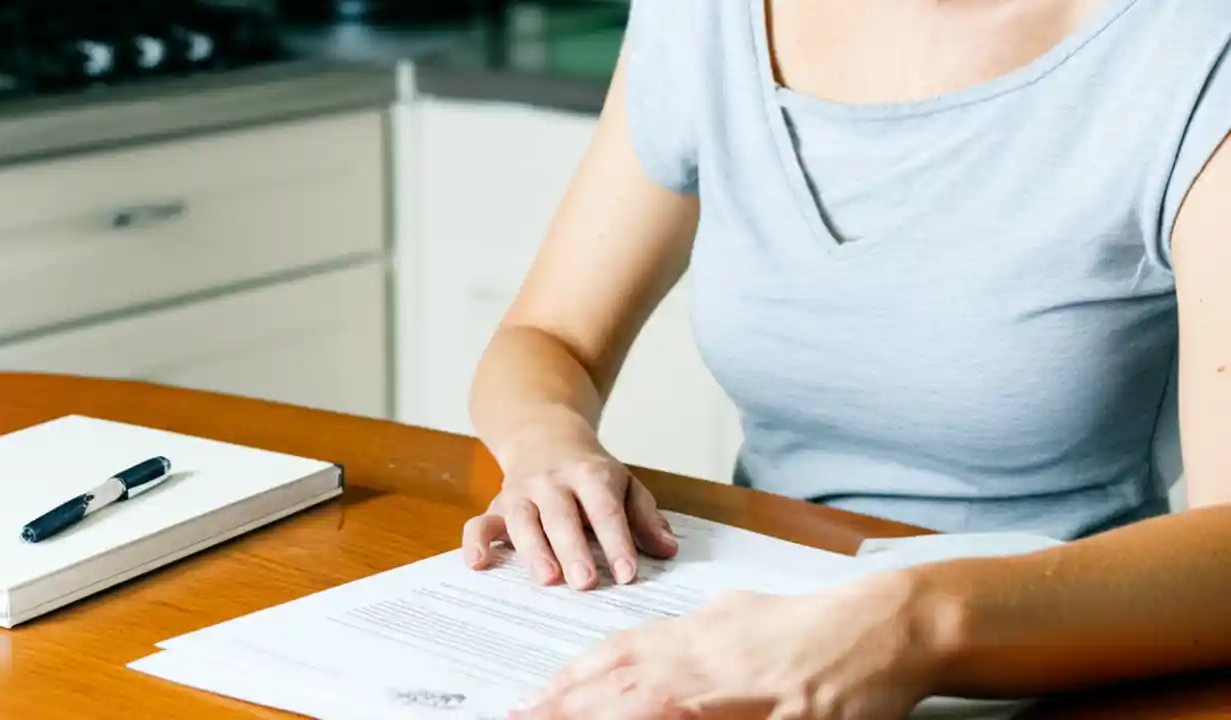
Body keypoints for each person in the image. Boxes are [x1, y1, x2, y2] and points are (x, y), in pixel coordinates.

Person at [462, 0, 1231, 716]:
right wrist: (547, 446)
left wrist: (912, 623)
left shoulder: (1193, 45)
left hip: (1062, 657)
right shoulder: (709, 16)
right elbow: (551, 337)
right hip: (740, 627)